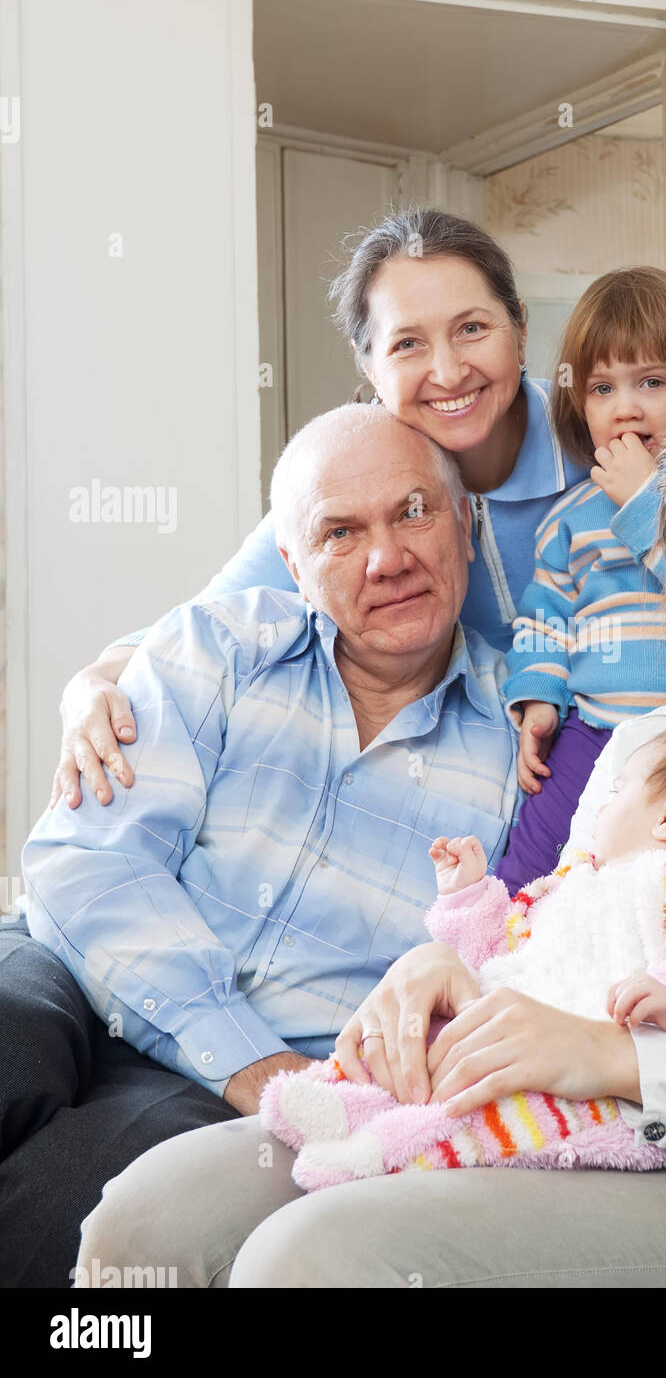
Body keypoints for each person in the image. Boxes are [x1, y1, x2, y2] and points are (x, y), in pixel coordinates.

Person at [76, 396, 666, 1288]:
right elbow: (554, 937)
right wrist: (443, 967)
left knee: (316, 1258)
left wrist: (614, 1060)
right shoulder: (647, 743)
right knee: (154, 1217)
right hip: (559, 1133)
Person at [2, 403, 517, 1286]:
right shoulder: (217, 646)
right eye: (340, 533)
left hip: (259, 1084)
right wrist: (241, 1051)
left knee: (68, 1202)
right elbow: (92, 862)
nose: (387, 558)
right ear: (295, 565)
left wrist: (263, 1073)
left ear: (465, 525)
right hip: (75, 974)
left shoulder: (523, 747)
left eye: (413, 513)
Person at [49, 206, 587, 812]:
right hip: (489, 812)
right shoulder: (346, 487)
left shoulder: (602, 445)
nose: (447, 370)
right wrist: (87, 685)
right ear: (369, 366)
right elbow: (198, 628)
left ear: (518, 328)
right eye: (407, 343)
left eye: (472, 329)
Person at [258, 725, 666, 1189]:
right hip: (502, 1030)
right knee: (426, 1048)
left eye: (618, 793)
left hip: (596, 1093)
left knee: (484, 1114)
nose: (602, 807)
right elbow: (495, 959)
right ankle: (340, 1100)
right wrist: (467, 898)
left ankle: (381, 1155)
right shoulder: (569, 884)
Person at [495, 266, 666, 892]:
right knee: (533, 867)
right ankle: (480, 963)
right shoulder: (571, 517)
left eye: (652, 382)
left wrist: (644, 501)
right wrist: (537, 699)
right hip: (590, 728)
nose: (625, 406)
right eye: (602, 388)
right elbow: (544, 616)